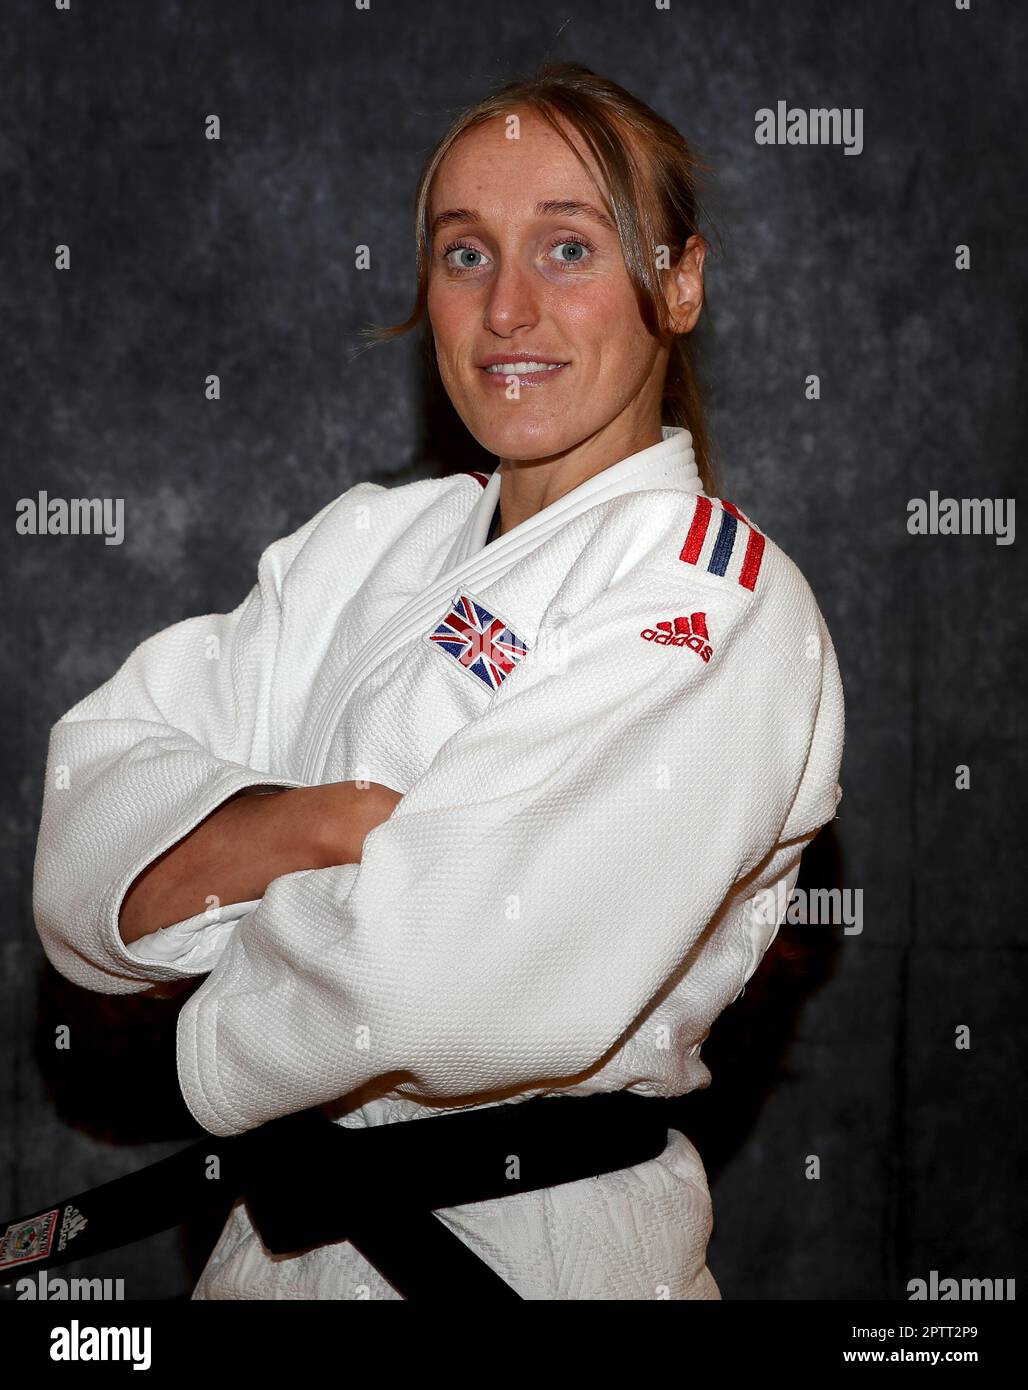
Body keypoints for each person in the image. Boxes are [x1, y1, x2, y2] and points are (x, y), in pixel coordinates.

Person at [32, 61, 845, 1300]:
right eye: (466, 255)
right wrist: (318, 824)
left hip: (532, 1257)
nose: (507, 308)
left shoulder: (715, 598)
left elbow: (432, 979)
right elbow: (85, 832)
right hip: (268, 1255)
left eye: (567, 249)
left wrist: (206, 940)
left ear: (676, 285)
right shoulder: (366, 543)